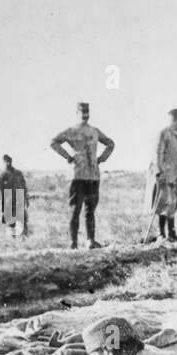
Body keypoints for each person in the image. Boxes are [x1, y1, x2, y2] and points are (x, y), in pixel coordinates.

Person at [50, 101, 115, 249]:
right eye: (82, 113)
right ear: (77, 113)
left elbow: (110, 143)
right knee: (75, 209)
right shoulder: (71, 131)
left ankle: (90, 240)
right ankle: (73, 243)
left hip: (93, 175)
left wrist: (101, 159)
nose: (85, 115)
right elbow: (54, 142)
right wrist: (68, 157)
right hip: (78, 175)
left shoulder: (95, 131)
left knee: (90, 210)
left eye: (87, 113)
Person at [151, 108, 177, 242]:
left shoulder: (176, 135)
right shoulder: (164, 133)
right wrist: (160, 172)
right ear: (175, 120)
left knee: (172, 205)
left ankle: (171, 233)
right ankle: (161, 234)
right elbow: (158, 154)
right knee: (164, 204)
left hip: (175, 177)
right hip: (166, 176)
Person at [0, 154, 29, 238]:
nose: (8, 163)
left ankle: (24, 239)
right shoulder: (2, 175)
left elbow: (24, 186)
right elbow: (0, 190)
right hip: (9, 201)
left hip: (19, 199)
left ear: (11, 161)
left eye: (9, 161)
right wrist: (2, 204)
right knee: (11, 222)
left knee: (23, 220)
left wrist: (26, 199)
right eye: (6, 162)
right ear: (3, 162)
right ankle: (12, 240)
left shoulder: (18, 173)